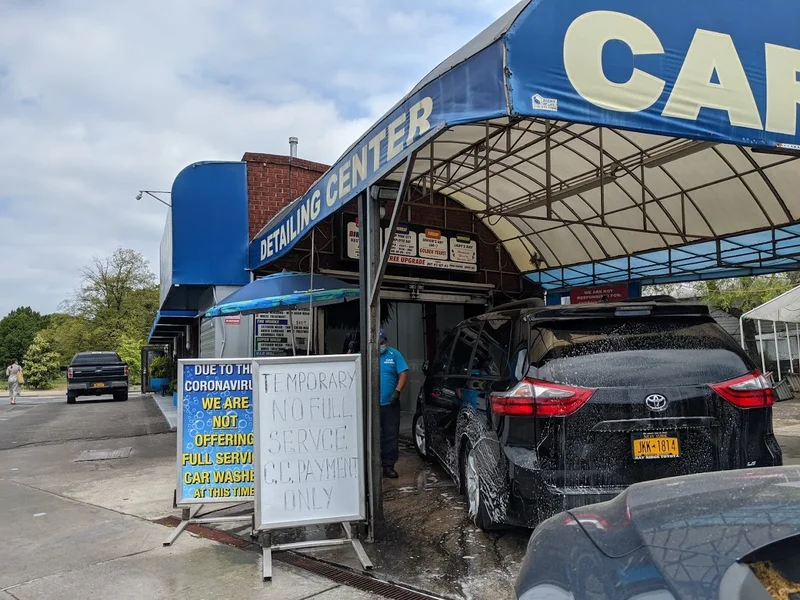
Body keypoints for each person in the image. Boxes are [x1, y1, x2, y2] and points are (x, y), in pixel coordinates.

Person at [378, 329, 408, 479]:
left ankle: (388, 466)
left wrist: (397, 391)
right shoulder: (365, 354)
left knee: (390, 435)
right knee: (372, 436)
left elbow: (403, 373)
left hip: (390, 404)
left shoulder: (394, 354)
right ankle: (371, 465)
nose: (380, 346)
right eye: (377, 343)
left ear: (386, 341)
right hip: (370, 405)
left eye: (382, 342)